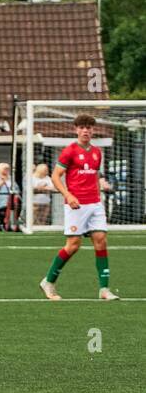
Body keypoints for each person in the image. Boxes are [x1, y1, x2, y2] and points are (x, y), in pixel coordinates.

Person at [41, 114, 118, 301]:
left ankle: (104, 289)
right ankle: (48, 281)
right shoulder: (69, 151)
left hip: (95, 203)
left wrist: (101, 183)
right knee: (73, 246)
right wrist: (68, 195)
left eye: (89, 127)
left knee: (101, 239)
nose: (86, 130)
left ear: (93, 130)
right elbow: (56, 176)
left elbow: (93, 175)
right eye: (82, 127)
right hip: (76, 205)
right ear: (76, 129)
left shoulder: (97, 152)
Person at [30, 163, 54, 227]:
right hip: (34, 203)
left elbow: (52, 188)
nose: (47, 172)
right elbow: (32, 188)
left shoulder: (48, 178)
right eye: (45, 170)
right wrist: (42, 188)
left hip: (46, 203)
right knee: (34, 220)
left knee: (43, 220)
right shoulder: (32, 177)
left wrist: (41, 188)